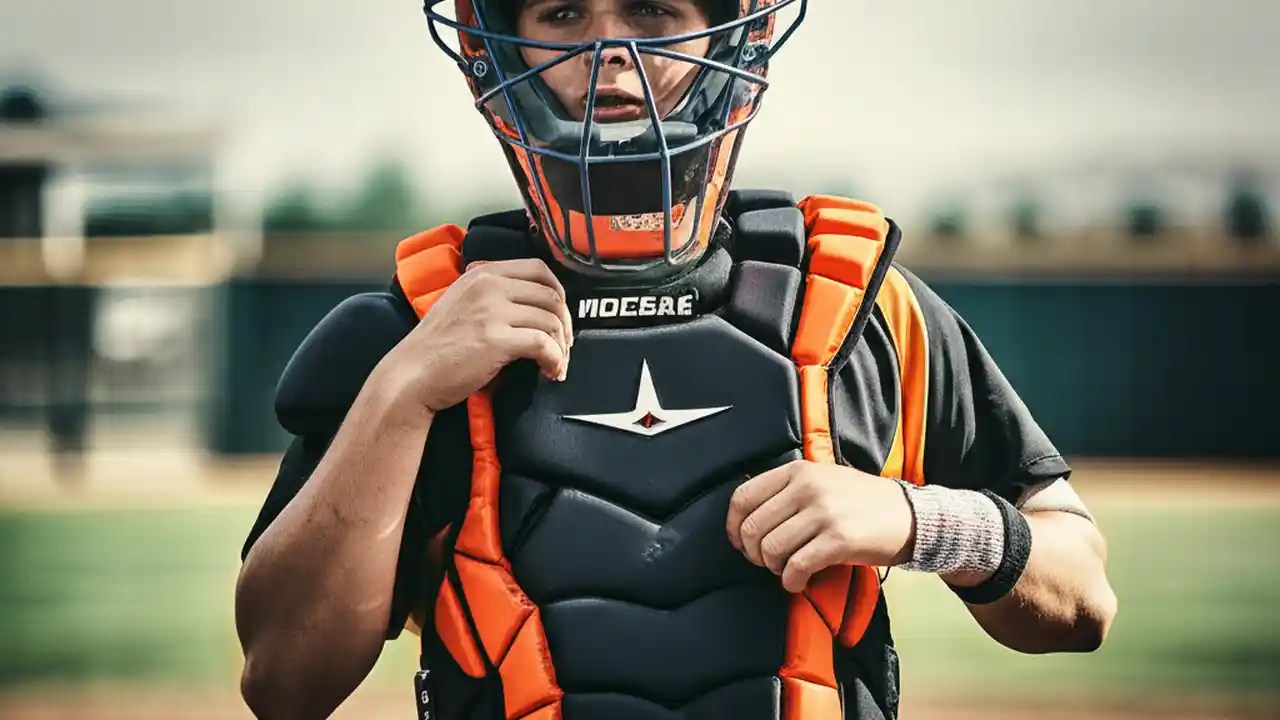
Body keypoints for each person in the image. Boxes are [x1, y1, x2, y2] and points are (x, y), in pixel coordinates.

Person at [234, 2, 1117, 719]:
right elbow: (283, 682)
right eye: (563, 13)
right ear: (492, 42)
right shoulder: (415, 329)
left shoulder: (853, 305)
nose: (609, 49)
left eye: (653, 12)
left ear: (736, 31)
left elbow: (1081, 598)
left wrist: (918, 521)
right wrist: (399, 395)